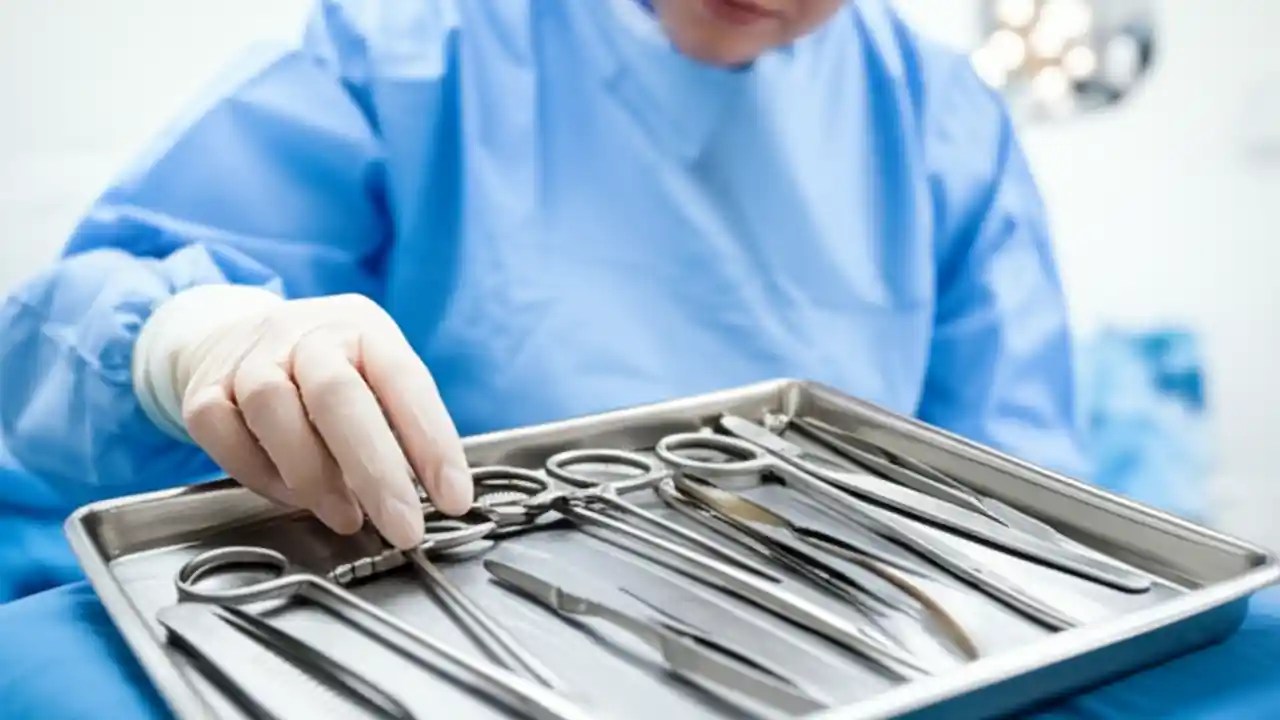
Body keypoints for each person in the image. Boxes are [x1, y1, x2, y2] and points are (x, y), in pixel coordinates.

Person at [0, 0, 1085, 716]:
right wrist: (197, 338)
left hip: (828, 654)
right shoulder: (420, 41)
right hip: (402, 609)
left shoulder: (938, 118)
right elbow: (74, 319)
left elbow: (1011, 497)